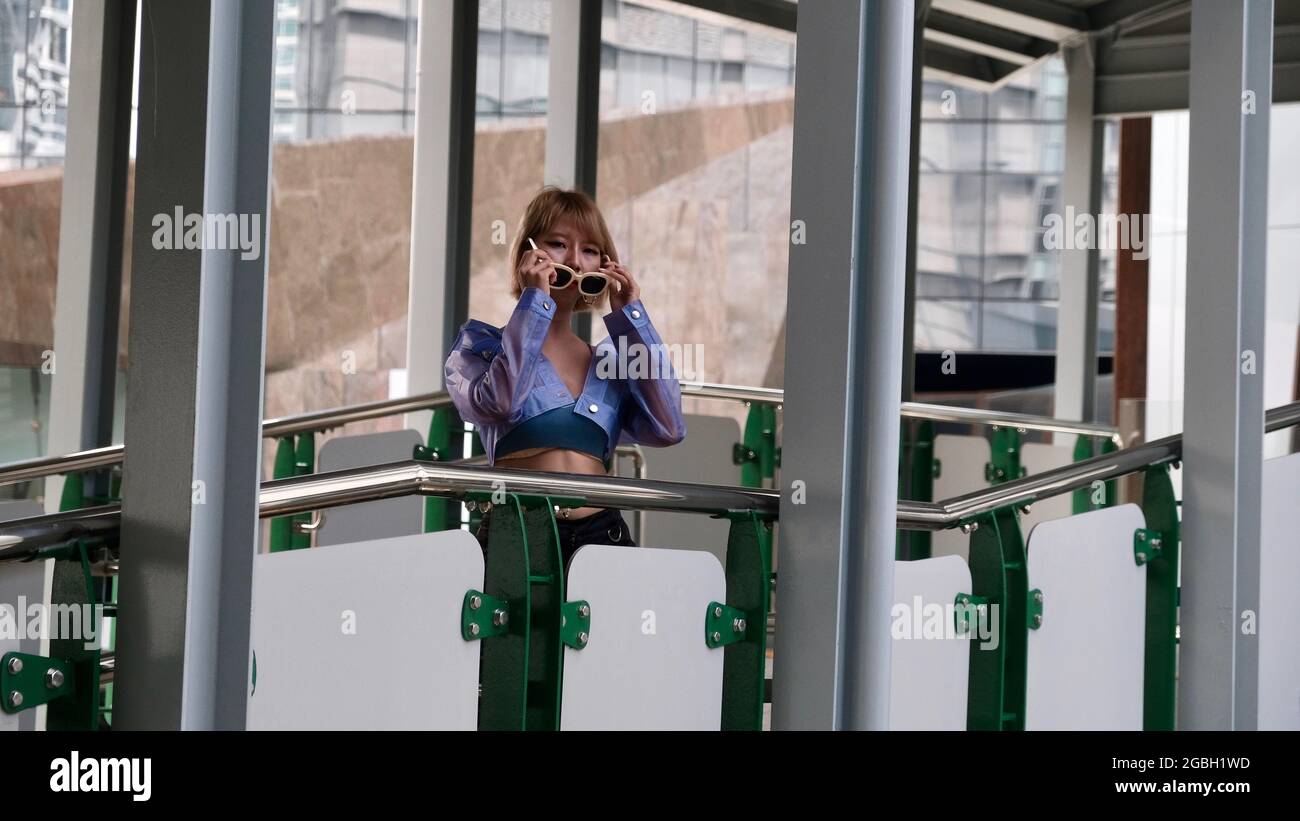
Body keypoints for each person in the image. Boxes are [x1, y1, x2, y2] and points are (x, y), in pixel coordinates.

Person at [444, 186, 686, 568]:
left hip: (602, 535)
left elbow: (669, 427)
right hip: (519, 533)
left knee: (612, 629)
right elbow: (501, 402)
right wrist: (534, 301)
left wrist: (631, 318)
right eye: (558, 244)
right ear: (528, 250)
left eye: (590, 250)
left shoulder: (609, 360)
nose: (574, 258)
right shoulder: (478, 347)